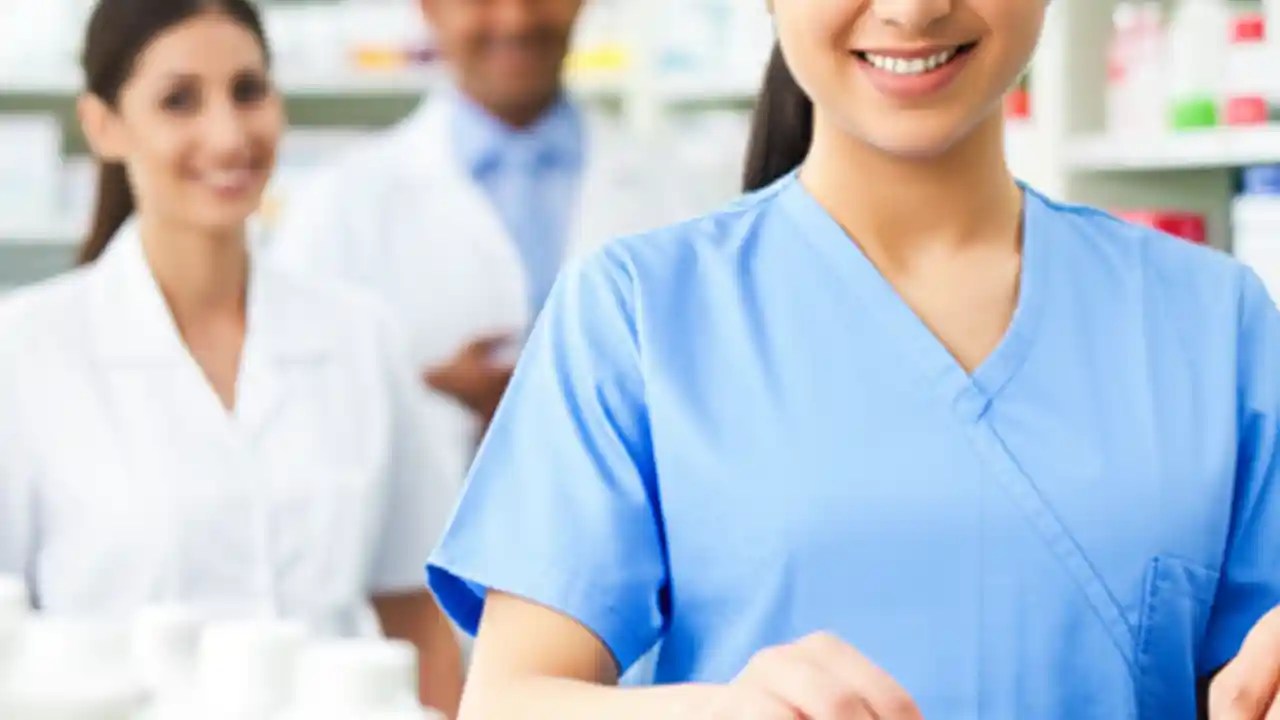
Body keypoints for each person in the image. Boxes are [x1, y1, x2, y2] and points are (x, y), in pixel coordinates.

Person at [425, 0, 1280, 718]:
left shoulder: (1212, 321)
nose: (913, 9)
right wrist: (718, 713)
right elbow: (509, 701)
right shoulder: (636, 311)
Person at [0, 0, 463, 714]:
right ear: (103, 125)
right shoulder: (26, 350)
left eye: (248, 91)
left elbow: (414, 615)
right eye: (178, 101)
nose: (228, 135)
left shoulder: (359, 336)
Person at [268, 0, 694, 479]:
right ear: (428, 8)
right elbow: (289, 415)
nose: (516, 20)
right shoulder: (339, 204)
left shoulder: (678, 193)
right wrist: (429, 399)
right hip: (429, 522)